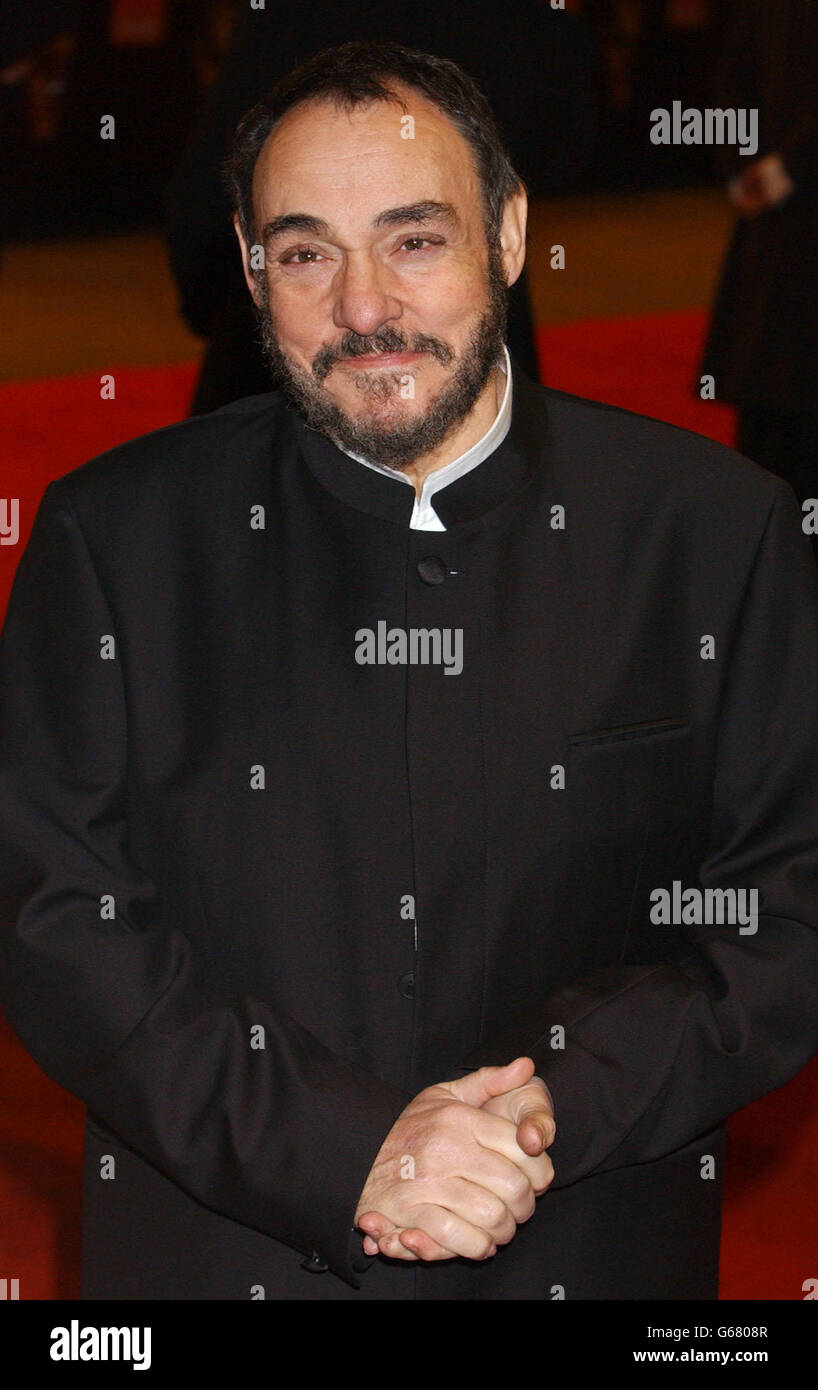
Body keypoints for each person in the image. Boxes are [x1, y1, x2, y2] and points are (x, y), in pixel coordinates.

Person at [1, 39, 818, 1302]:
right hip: (227, 1256)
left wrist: (551, 1109)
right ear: (246, 266)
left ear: (506, 234)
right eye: (306, 251)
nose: (364, 306)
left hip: (592, 1246)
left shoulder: (712, 532)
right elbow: (56, 918)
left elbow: (783, 906)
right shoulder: (113, 540)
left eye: (414, 239)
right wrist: (348, 1149)